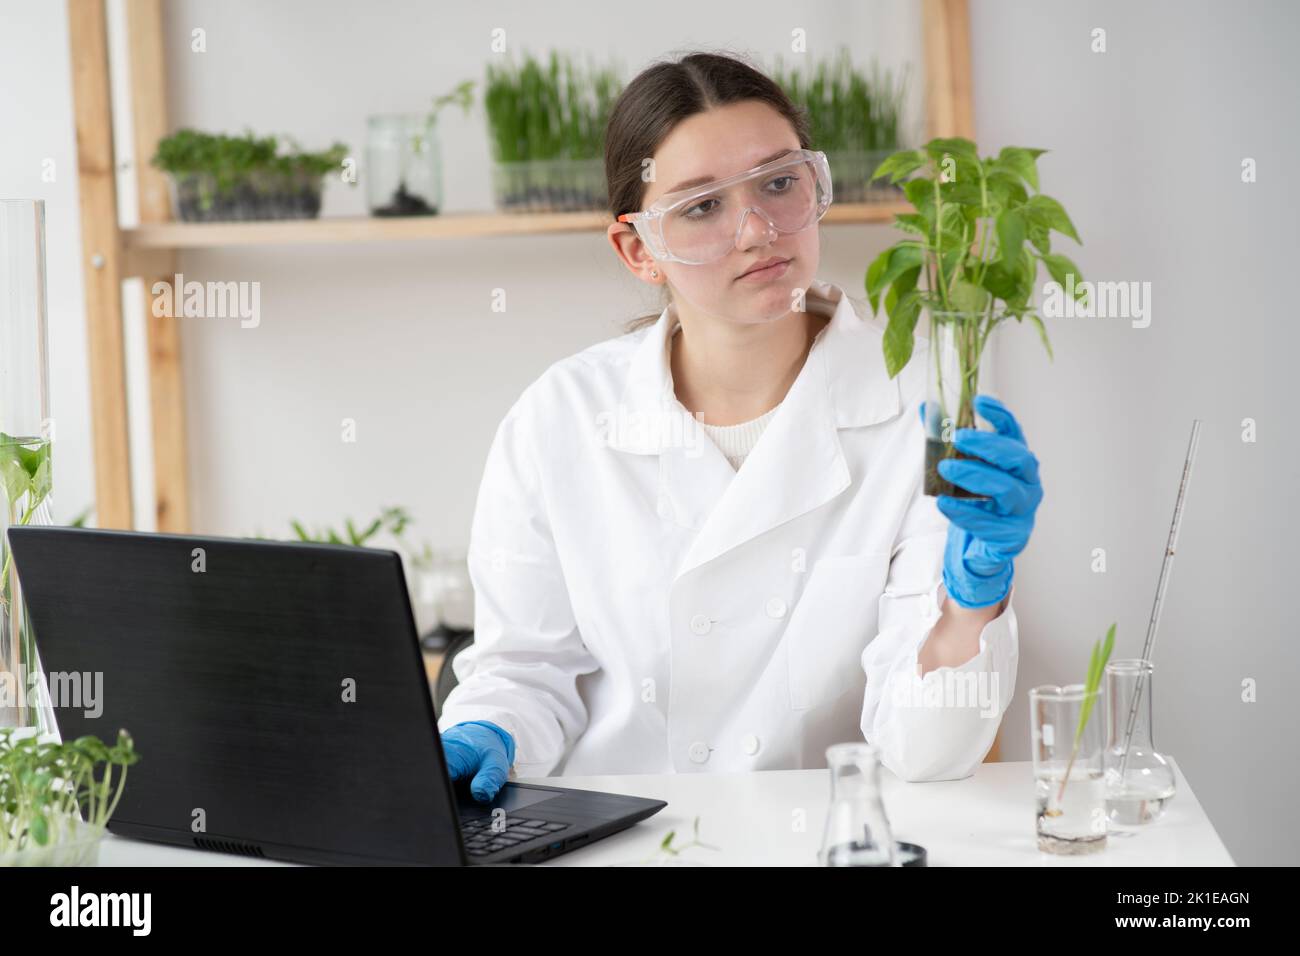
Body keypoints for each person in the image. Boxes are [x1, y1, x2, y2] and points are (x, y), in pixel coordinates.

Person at [439, 51, 1041, 802]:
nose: (757, 229)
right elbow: (524, 671)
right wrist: (487, 726)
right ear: (638, 249)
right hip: (619, 845)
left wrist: (972, 598)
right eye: (701, 207)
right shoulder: (558, 418)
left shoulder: (924, 402)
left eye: (779, 183)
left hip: (827, 846)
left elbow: (928, 750)